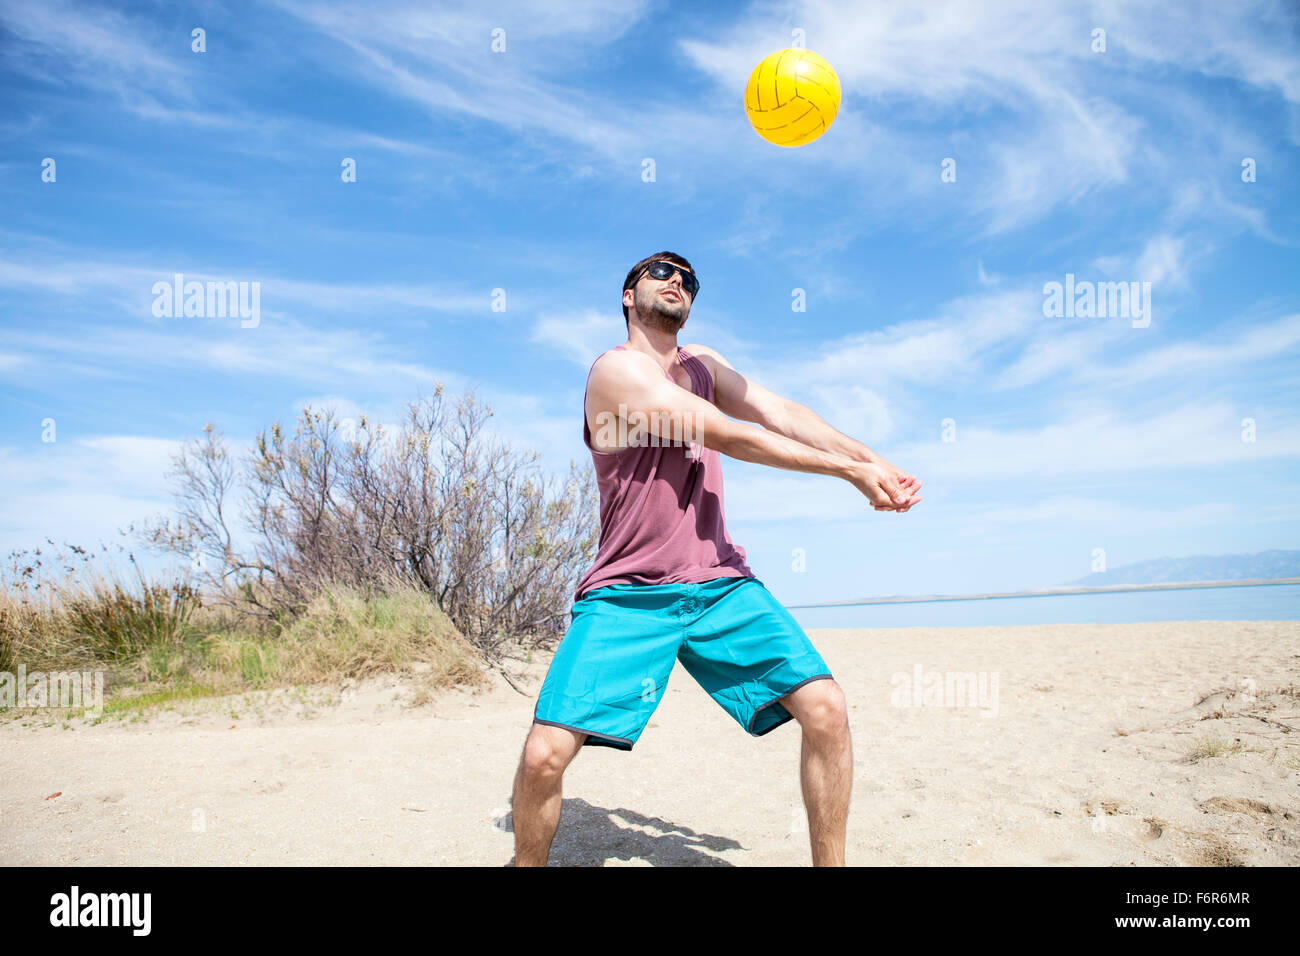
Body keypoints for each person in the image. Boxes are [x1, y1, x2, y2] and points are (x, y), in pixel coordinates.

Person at [510, 251, 922, 866]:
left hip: (720, 585)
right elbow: (726, 432)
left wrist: (874, 460)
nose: (677, 281)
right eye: (660, 272)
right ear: (628, 296)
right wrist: (848, 471)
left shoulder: (704, 363)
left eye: (689, 279)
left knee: (826, 710)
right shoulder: (613, 374)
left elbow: (779, 413)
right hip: (628, 591)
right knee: (545, 755)